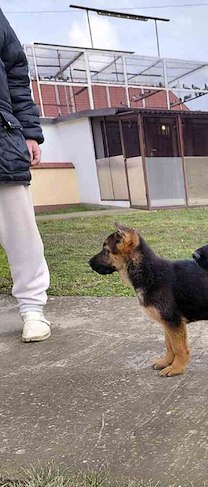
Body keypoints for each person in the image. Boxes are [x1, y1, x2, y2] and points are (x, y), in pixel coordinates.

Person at [0, 8, 50, 342]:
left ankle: (32, 308)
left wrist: (29, 132)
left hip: (2, 135)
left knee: (19, 229)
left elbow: (16, 68)